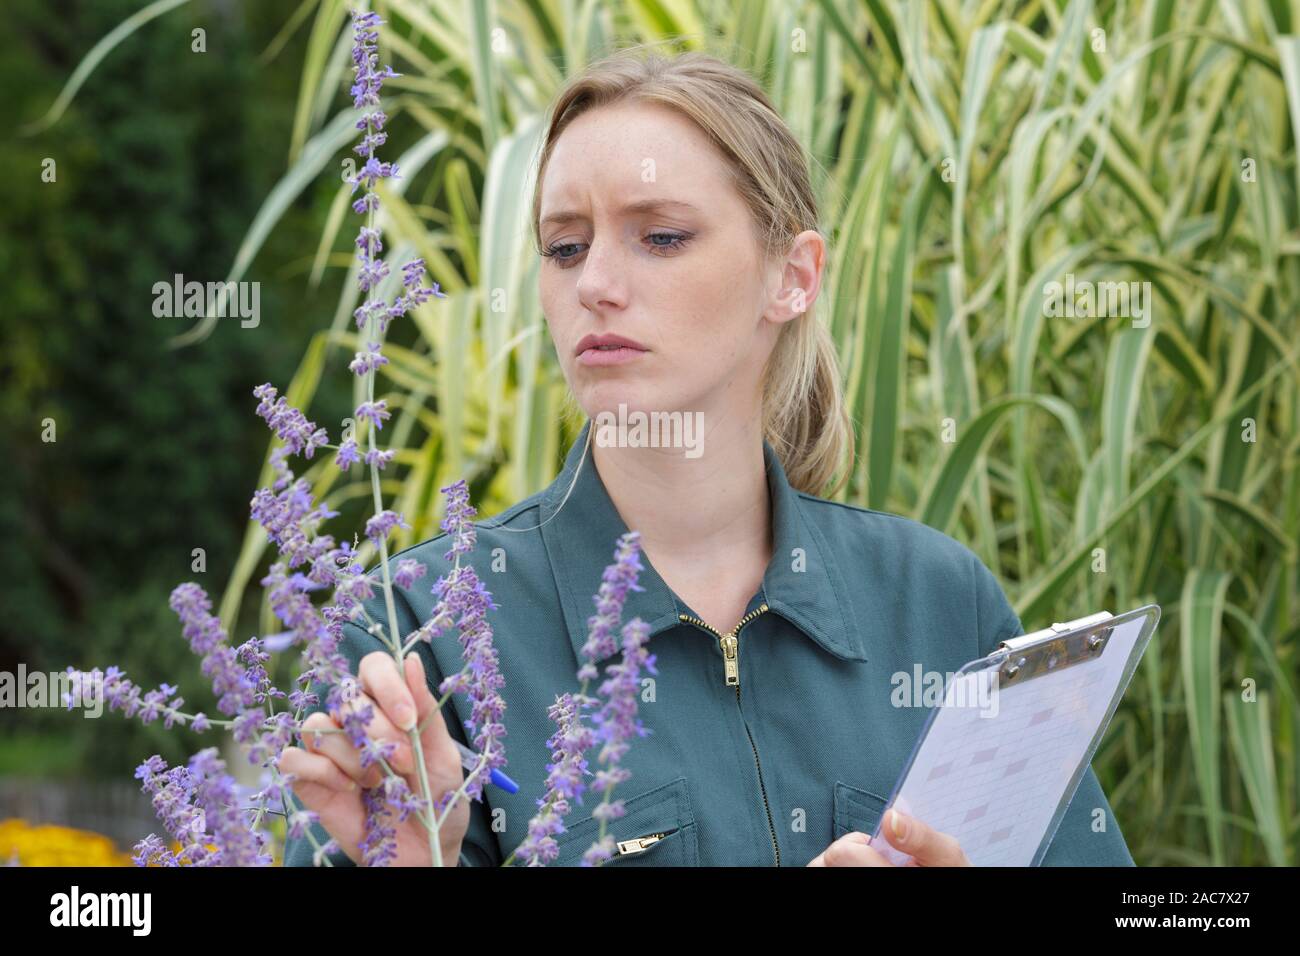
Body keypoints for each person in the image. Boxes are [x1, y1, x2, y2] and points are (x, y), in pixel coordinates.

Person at [279, 48, 1134, 867]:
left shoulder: (939, 604)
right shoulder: (422, 638)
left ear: (792, 276)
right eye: (565, 247)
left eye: (661, 237)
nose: (596, 284)